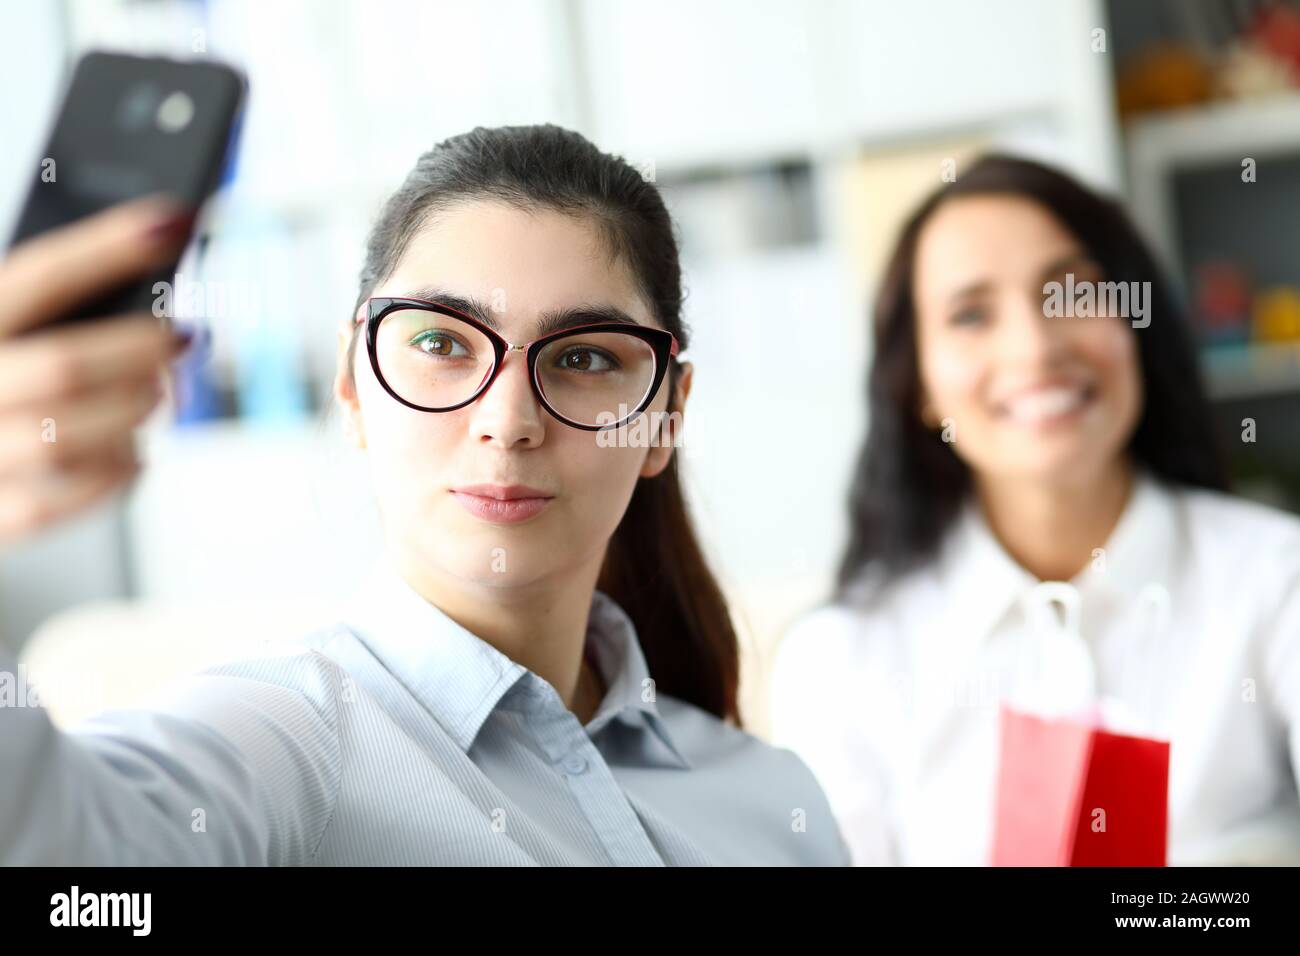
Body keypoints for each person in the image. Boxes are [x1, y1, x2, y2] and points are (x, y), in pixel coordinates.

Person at [0, 125, 849, 866]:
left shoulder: (776, 801)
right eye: (442, 341)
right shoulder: (285, 742)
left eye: (584, 358)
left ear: (665, 417)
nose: (508, 421)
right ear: (351, 382)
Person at [770, 154, 1300, 866]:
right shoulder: (840, 662)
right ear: (921, 386)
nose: (1035, 347)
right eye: (971, 314)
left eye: (1072, 295)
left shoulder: (1275, 580)